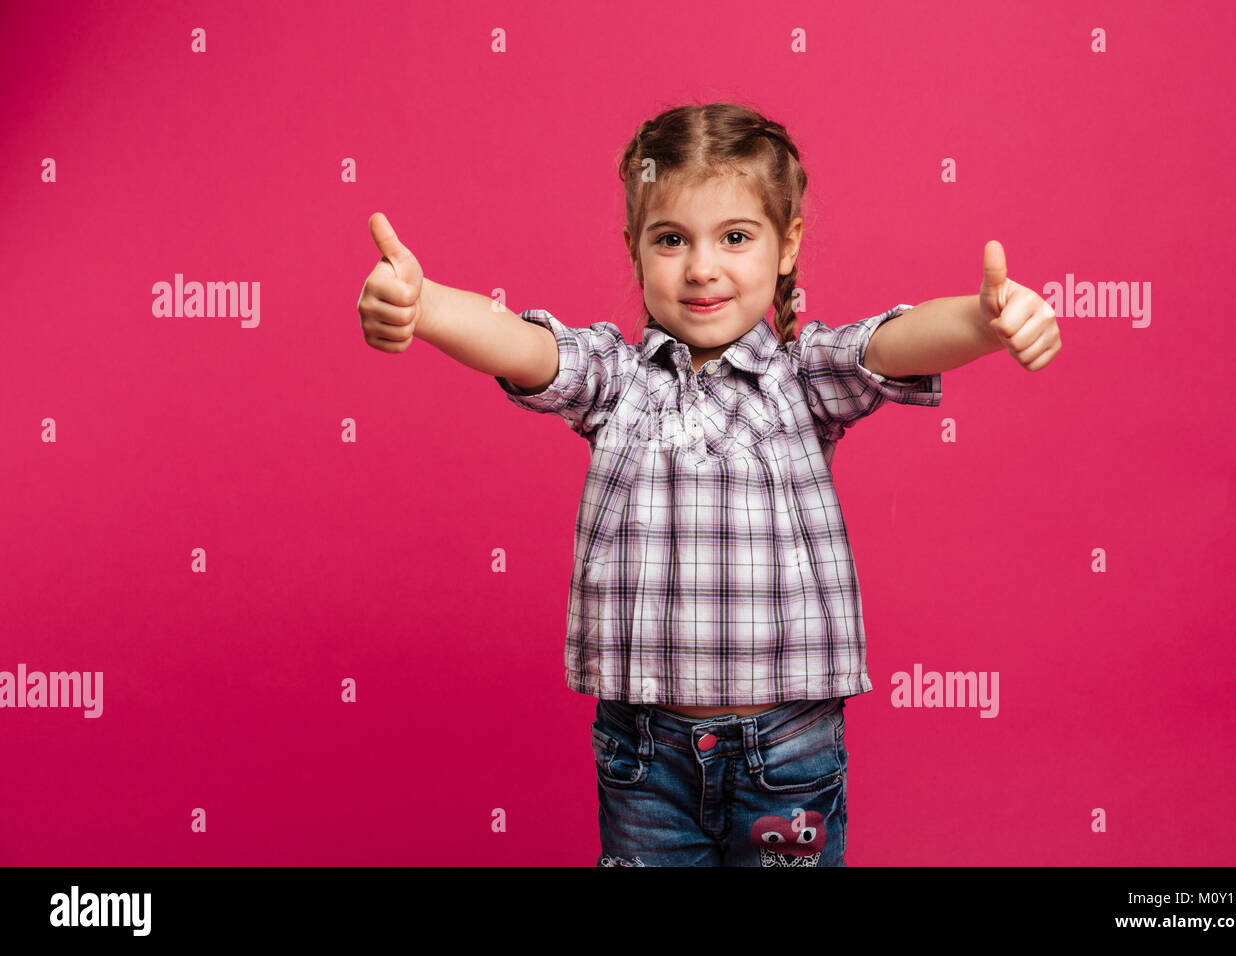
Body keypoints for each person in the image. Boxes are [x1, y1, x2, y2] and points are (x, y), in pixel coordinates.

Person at [355, 101, 1062, 866]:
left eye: (734, 237)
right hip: (644, 757)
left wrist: (986, 324)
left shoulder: (804, 377)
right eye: (671, 240)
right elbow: (526, 348)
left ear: (786, 246)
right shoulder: (615, 380)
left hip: (788, 754)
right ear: (635, 250)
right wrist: (424, 307)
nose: (701, 267)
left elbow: (890, 344)